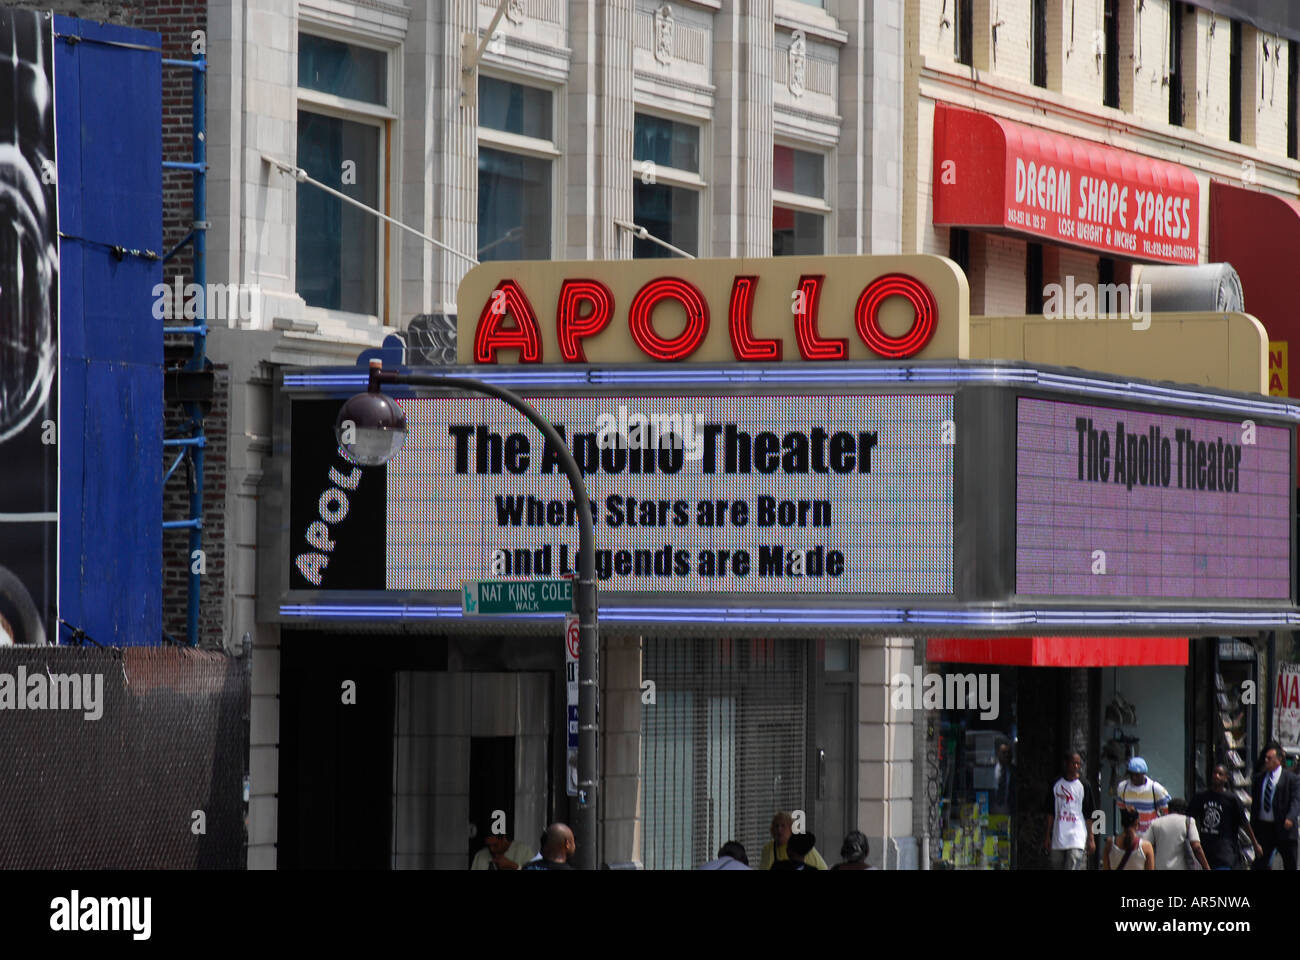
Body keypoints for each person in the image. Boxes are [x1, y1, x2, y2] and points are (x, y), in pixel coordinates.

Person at [1190, 764, 1261, 870]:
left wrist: (1255, 844)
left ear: (1226, 778)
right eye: (1215, 773)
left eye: (1220, 774)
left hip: (1225, 852)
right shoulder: (1201, 797)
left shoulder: (1232, 799)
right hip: (1206, 850)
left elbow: (1244, 822)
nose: (1216, 776)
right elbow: (1189, 819)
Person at [1042, 750, 1096, 869]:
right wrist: (1047, 835)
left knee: (1072, 862)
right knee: (1056, 864)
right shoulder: (1056, 784)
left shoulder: (1084, 785)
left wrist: (1091, 838)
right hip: (1058, 834)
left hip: (1076, 835)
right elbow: (1050, 812)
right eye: (1073, 763)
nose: (1076, 766)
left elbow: (1088, 814)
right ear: (1066, 764)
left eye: (1078, 764)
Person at [1251, 744, 1300, 871]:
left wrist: (1291, 817)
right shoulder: (1259, 779)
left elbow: (1296, 800)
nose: (1266, 761)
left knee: (1290, 864)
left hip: (1284, 828)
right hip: (1265, 828)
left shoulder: (1291, 779)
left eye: (1269, 758)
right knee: (1259, 864)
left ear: (1278, 760)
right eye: (1265, 758)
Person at [1147, 798, 1211, 870]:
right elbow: (1197, 847)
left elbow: (1146, 846)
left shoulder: (1155, 823)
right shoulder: (1188, 821)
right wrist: (1207, 867)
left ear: (1169, 809)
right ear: (1184, 810)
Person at [1114, 757, 1170, 837]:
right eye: (1131, 774)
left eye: (1137, 775)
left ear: (1143, 774)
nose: (1134, 777)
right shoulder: (1122, 788)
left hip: (1151, 835)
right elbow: (1122, 810)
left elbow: (1168, 811)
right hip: (1131, 836)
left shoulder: (1156, 789)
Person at [759, 811, 830, 870]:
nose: (779, 829)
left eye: (783, 826)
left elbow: (822, 868)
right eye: (776, 826)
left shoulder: (801, 845)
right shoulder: (768, 848)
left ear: (792, 828)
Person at [470, 830, 535, 870]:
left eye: (495, 845)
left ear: (503, 838)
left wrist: (513, 866)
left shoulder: (523, 851)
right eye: (488, 846)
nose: (492, 849)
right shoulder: (480, 855)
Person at [991, 741, 1015, 815]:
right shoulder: (990, 769)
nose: (1006, 755)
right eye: (1004, 752)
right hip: (992, 809)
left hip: (1009, 810)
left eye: (1008, 753)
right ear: (998, 753)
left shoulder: (1014, 770)